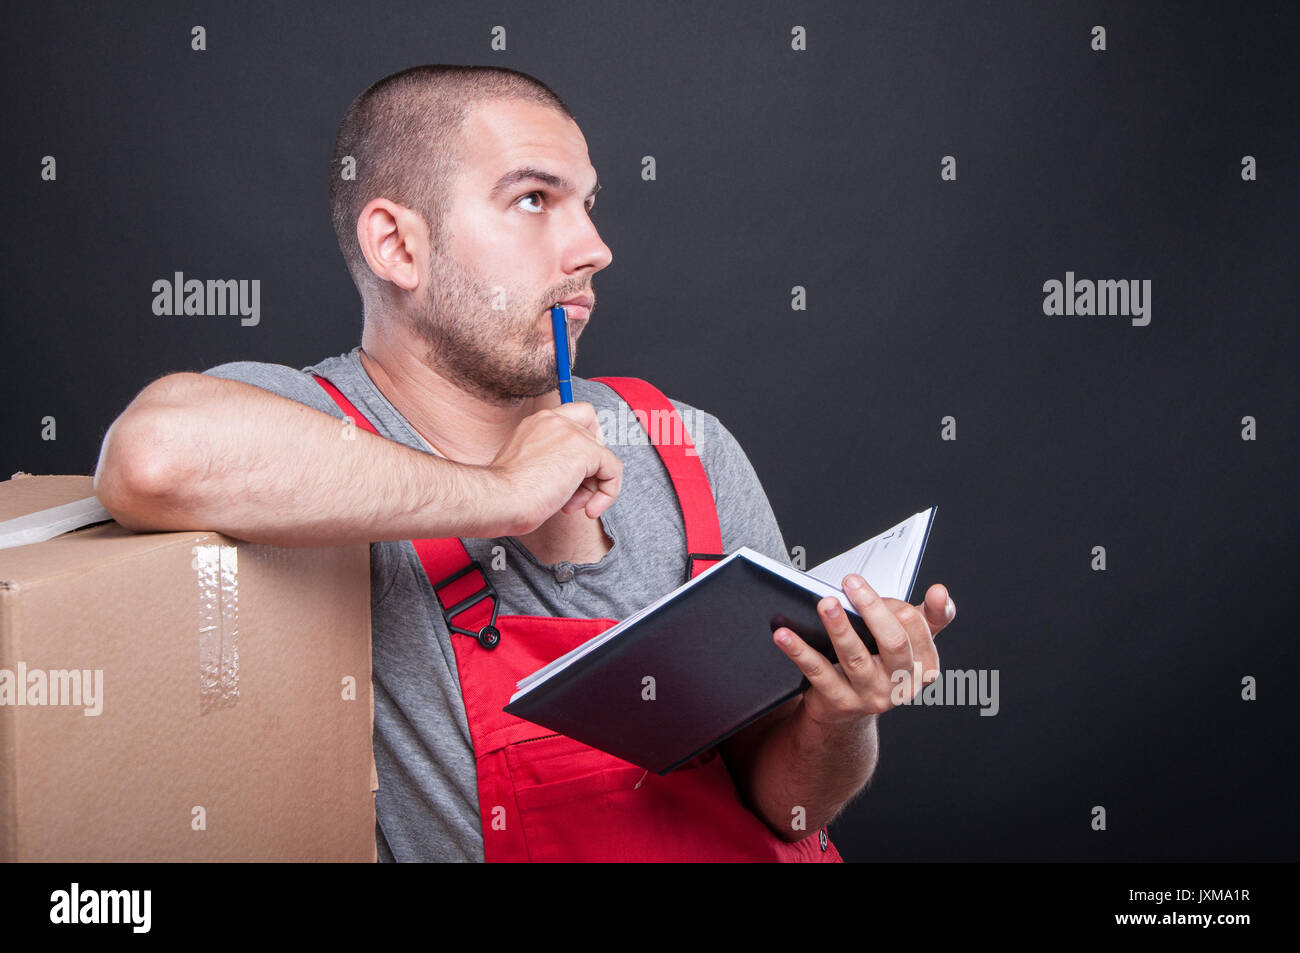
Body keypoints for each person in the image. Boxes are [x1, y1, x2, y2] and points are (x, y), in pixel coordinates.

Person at [94, 65, 956, 862]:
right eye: (536, 200)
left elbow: (786, 807)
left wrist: (840, 718)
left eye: (589, 202)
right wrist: (501, 494)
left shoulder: (682, 441)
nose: (593, 248)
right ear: (399, 246)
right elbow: (153, 455)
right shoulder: (315, 424)